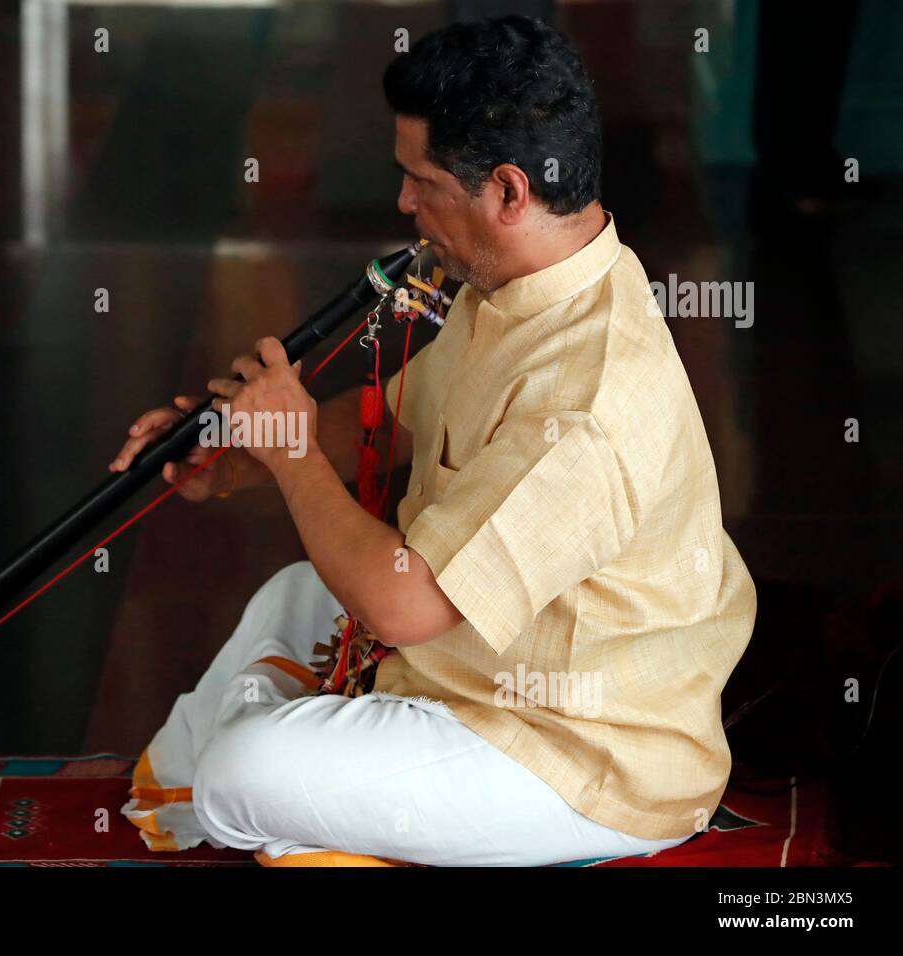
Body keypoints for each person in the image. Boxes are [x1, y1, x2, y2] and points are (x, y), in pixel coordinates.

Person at [110, 16, 756, 866]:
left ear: (511, 192)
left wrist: (294, 452)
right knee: (296, 592)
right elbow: (398, 410)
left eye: (422, 182)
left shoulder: (587, 403)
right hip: (467, 663)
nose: (405, 204)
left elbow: (403, 608)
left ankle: (287, 764)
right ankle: (316, 763)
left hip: (575, 754)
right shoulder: (523, 288)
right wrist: (240, 457)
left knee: (239, 773)